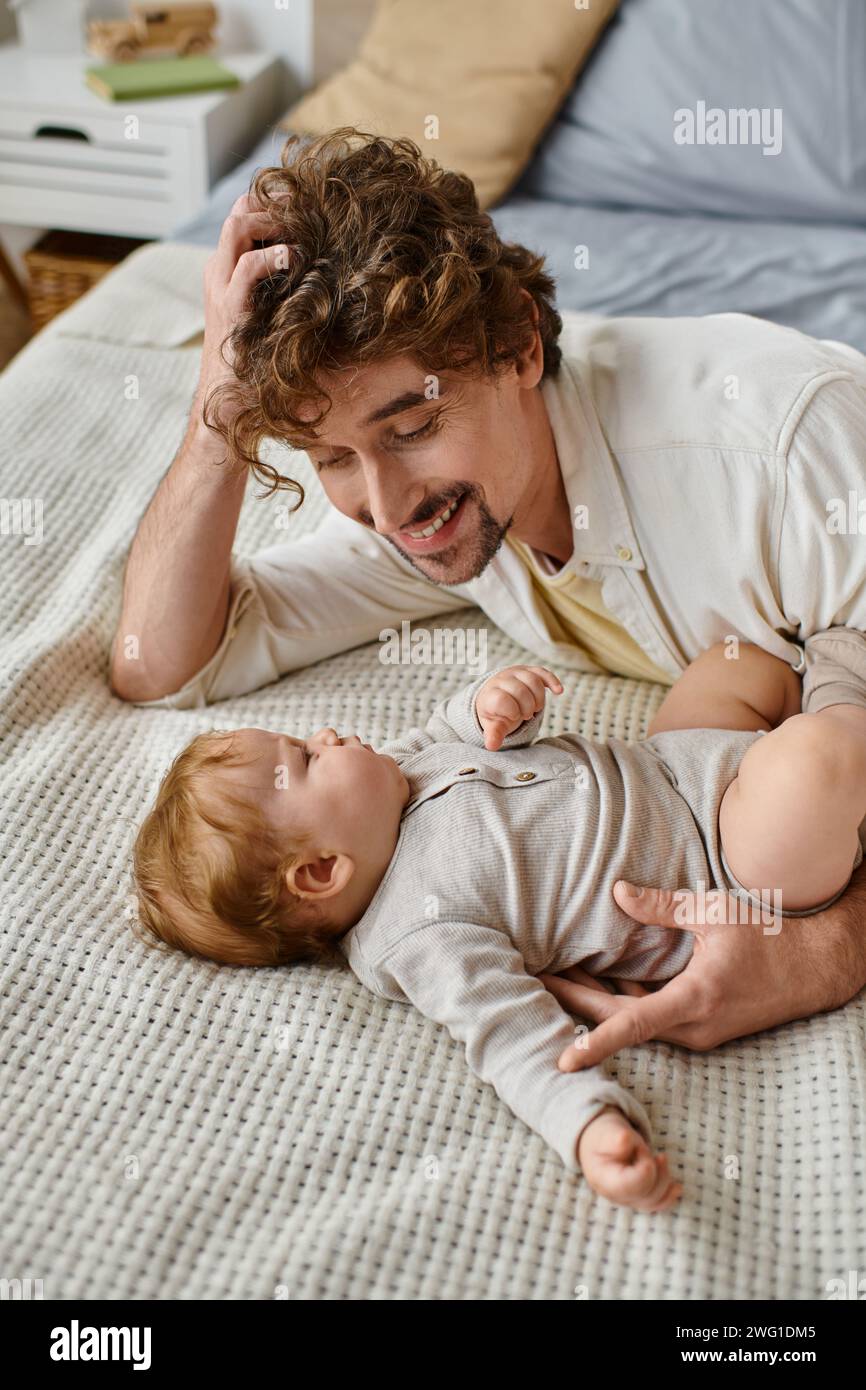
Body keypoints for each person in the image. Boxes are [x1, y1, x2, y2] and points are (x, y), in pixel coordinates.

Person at [110, 127, 866, 1062]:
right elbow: (160, 661)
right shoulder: (432, 516)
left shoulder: (785, 456)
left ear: (516, 343)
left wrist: (830, 946)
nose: (383, 507)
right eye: (332, 458)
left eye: (415, 425)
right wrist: (218, 403)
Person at [129, 639, 866, 1210]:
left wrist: (493, 702)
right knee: (815, 763)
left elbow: (462, 726)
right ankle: (845, 695)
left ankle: (820, 696)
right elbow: (510, 1040)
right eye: (306, 758)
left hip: (673, 763)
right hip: (726, 866)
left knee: (735, 667)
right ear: (323, 872)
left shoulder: (398, 772)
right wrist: (588, 1129)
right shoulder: (422, 932)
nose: (326, 732)